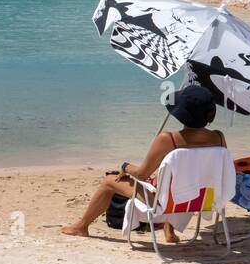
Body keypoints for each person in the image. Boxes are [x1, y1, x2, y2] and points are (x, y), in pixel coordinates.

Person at [60, 84, 226, 241]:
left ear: (181, 112)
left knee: (109, 182)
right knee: (177, 180)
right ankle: (169, 230)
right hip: (201, 199)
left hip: (167, 203)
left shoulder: (167, 139)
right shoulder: (218, 137)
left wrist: (125, 166)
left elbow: (141, 174)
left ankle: (81, 226)